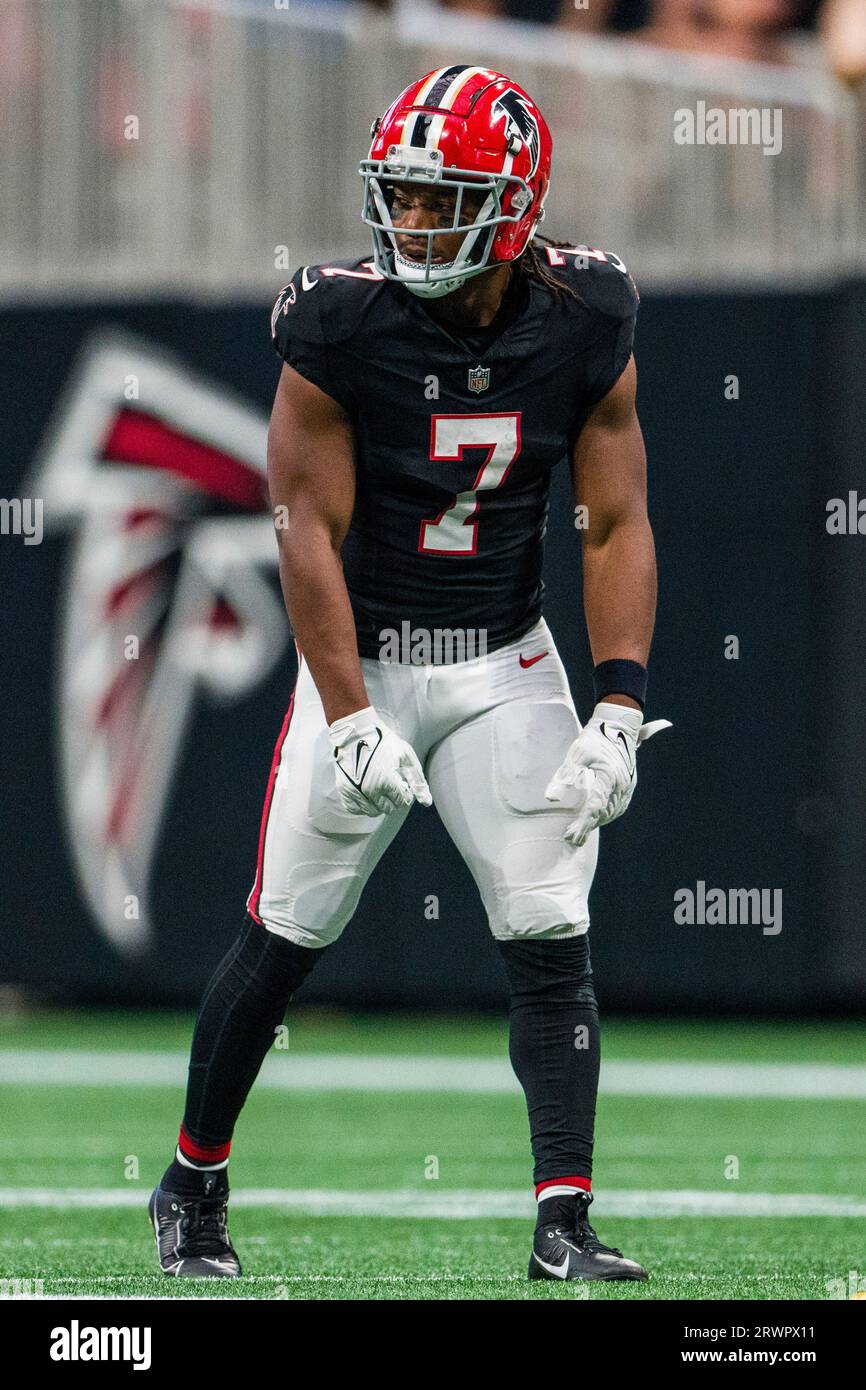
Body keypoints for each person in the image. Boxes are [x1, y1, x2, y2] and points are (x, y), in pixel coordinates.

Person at [149, 64, 669, 1284]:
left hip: (503, 658)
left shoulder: (586, 314)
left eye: (443, 199)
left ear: (513, 205)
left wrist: (620, 701)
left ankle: (562, 1220)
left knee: (548, 928)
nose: (414, 222)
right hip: (364, 657)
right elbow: (301, 530)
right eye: (404, 195)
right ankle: (192, 1184)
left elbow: (616, 520)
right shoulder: (339, 321)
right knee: (286, 934)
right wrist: (345, 714)